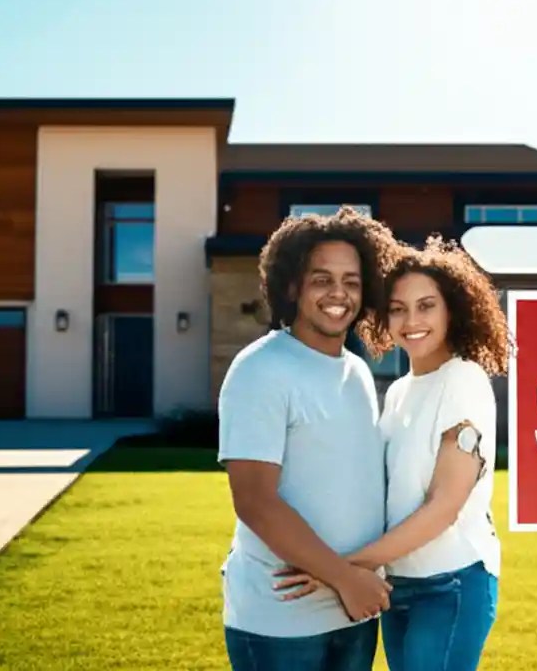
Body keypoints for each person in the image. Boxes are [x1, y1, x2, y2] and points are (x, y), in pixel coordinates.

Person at [274, 234, 511, 671]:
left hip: (452, 585)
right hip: (398, 585)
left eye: (426, 306)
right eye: (398, 308)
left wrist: (343, 567)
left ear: (452, 310)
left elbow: (443, 507)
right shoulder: (399, 392)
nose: (410, 320)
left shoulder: (463, 380)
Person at [216, 206, 404, 671]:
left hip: (353, 611)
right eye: (321, 279)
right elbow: (255, 502)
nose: (338, 293)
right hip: (281, 623)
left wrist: (354, 579)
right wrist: (344, 577)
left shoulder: (358, 371)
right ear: (292, 286)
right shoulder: (260, 369)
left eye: (352, 281)